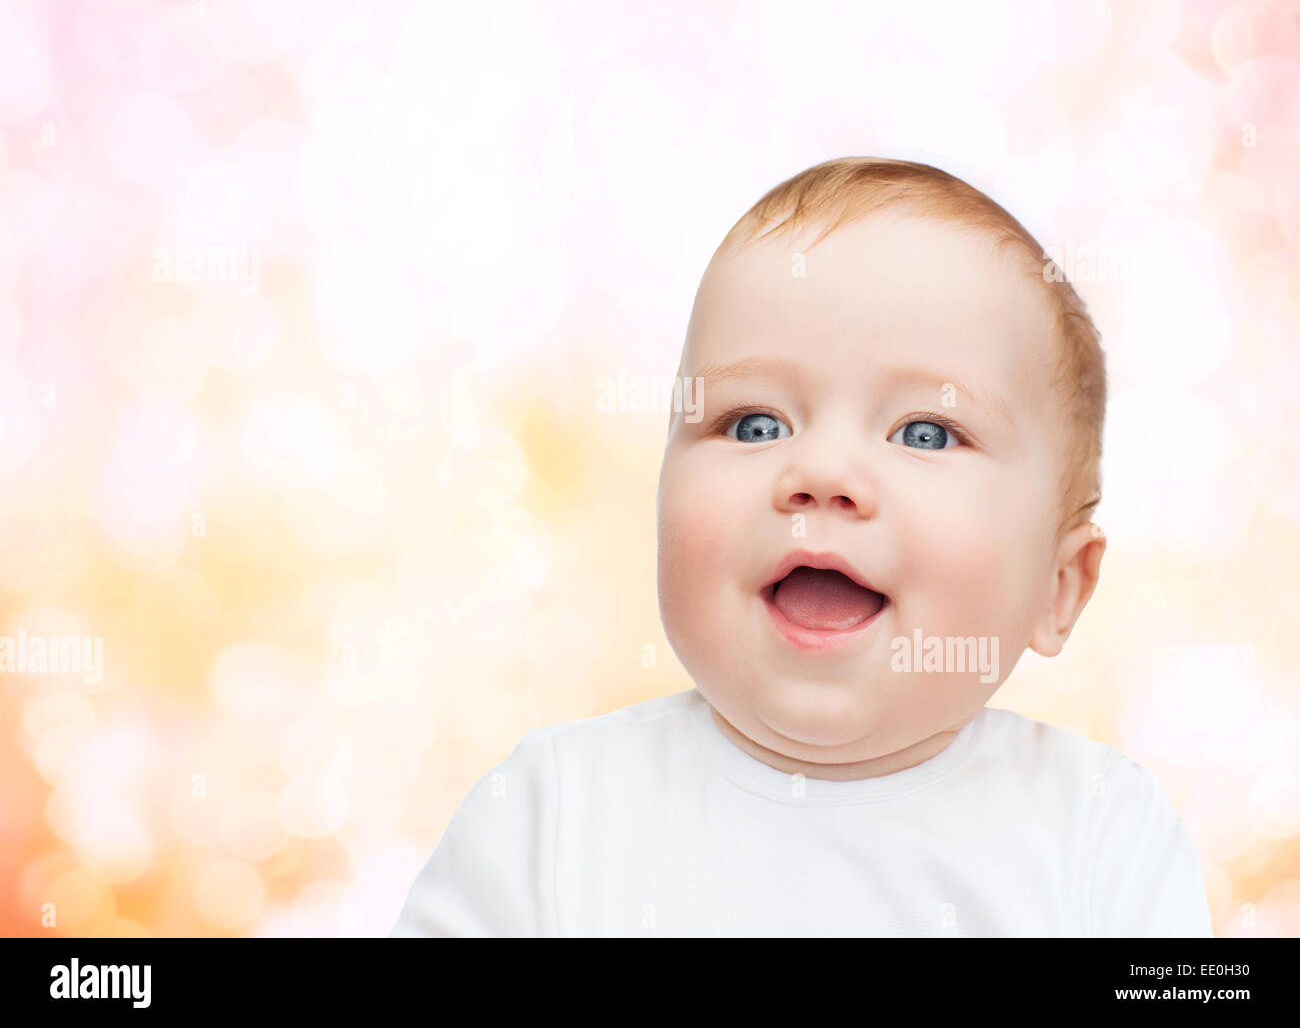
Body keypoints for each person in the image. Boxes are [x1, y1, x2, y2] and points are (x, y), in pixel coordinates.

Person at [391, 157, 1214, 937]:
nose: (820, 472)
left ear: (1059, 586)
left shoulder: (1106, 831)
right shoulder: (551, 811)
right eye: (755, 423)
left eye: (925, 432)